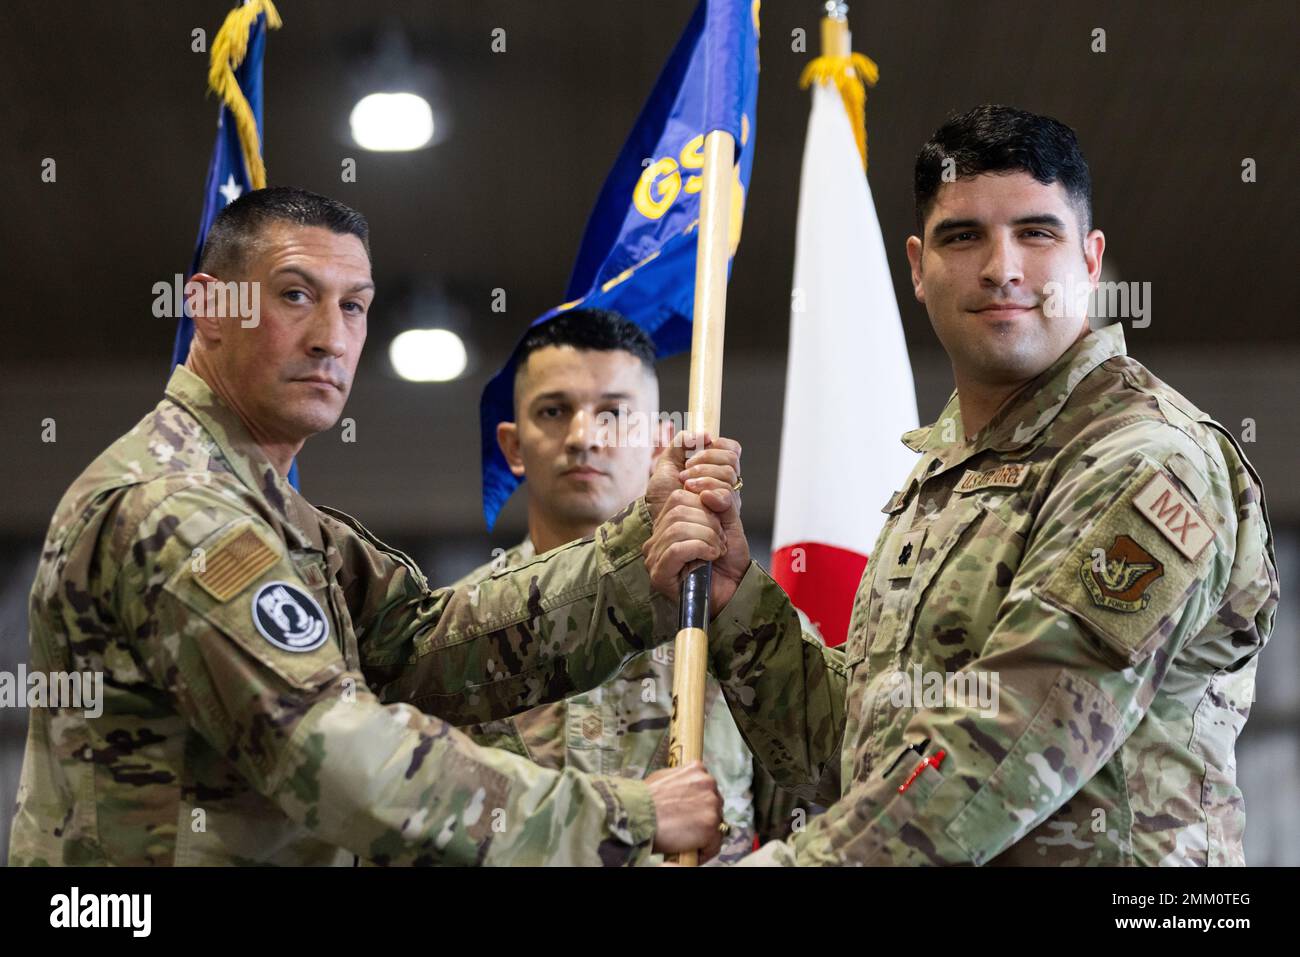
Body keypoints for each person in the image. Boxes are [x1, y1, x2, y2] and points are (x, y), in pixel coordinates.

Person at [9, 186, 739, 867]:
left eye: (354, 306)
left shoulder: (285, 518)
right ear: (210, 306)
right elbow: (336, 757)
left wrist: (639, 562)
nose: (331, 337)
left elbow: (430, 646)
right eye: (296, 296)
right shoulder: (176, 505)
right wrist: (624, 811)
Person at [643, 106, 1278, 866]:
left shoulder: (1144, 457)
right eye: (963, 234)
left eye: (1036, 233)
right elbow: (856, 746)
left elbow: (1018, 733)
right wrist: (735, 596)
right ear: (917, 265)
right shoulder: (943, 474)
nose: (1001, 267)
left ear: (1090, 259)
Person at [454, 309, 756, 860]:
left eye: (614, 413)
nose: (582, 437)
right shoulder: (457, 633)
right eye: (554, 410)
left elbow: (813, 824)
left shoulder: (731, 621)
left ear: (662, 442)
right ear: (513, 446)